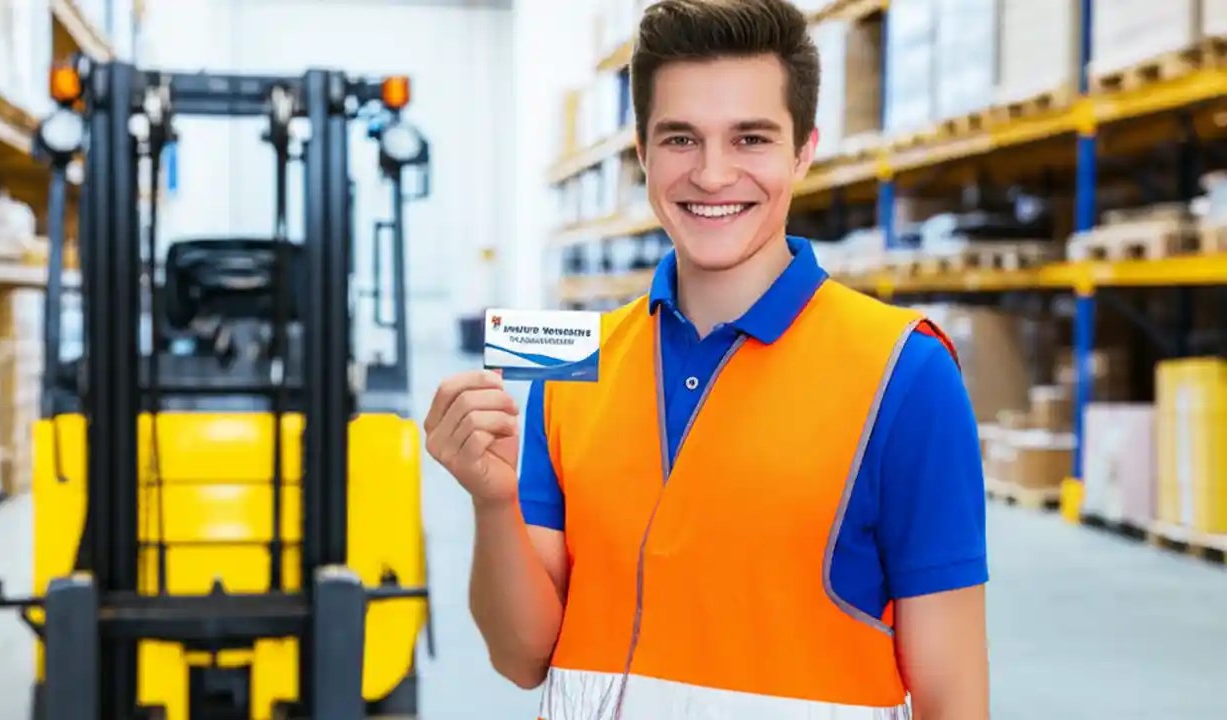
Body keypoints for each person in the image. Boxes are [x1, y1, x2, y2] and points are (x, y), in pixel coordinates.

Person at [423, 0, 991, 717]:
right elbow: (521, 656)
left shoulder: (904, 373)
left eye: (750, 138)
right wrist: (491, 499)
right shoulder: (577, 369)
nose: (713, 174)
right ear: (642, 153)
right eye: (681, 139)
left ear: (803, 150)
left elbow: (954, 693)